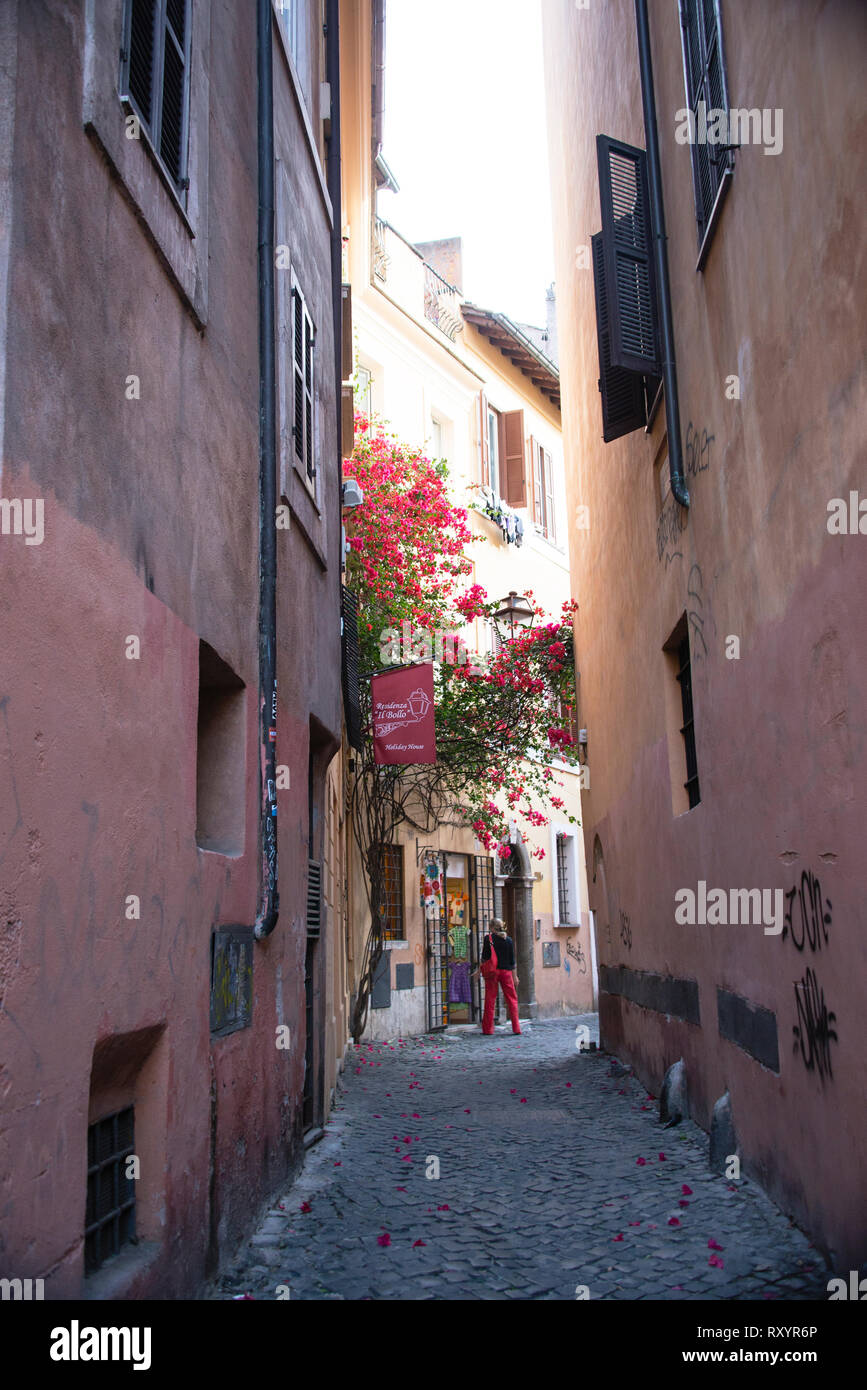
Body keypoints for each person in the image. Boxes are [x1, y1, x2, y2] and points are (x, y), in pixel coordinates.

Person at [471, 918, 522, 1035]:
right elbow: (512, 961)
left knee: (490, 1000)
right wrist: (515, 977)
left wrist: (479, 971)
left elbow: (484, 958)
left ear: (491, 927)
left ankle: (488, 1029)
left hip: (492, 972)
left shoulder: (488, 939)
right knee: (512, 1000)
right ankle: (516, 1027)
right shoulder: (509, 940)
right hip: (507, 973)